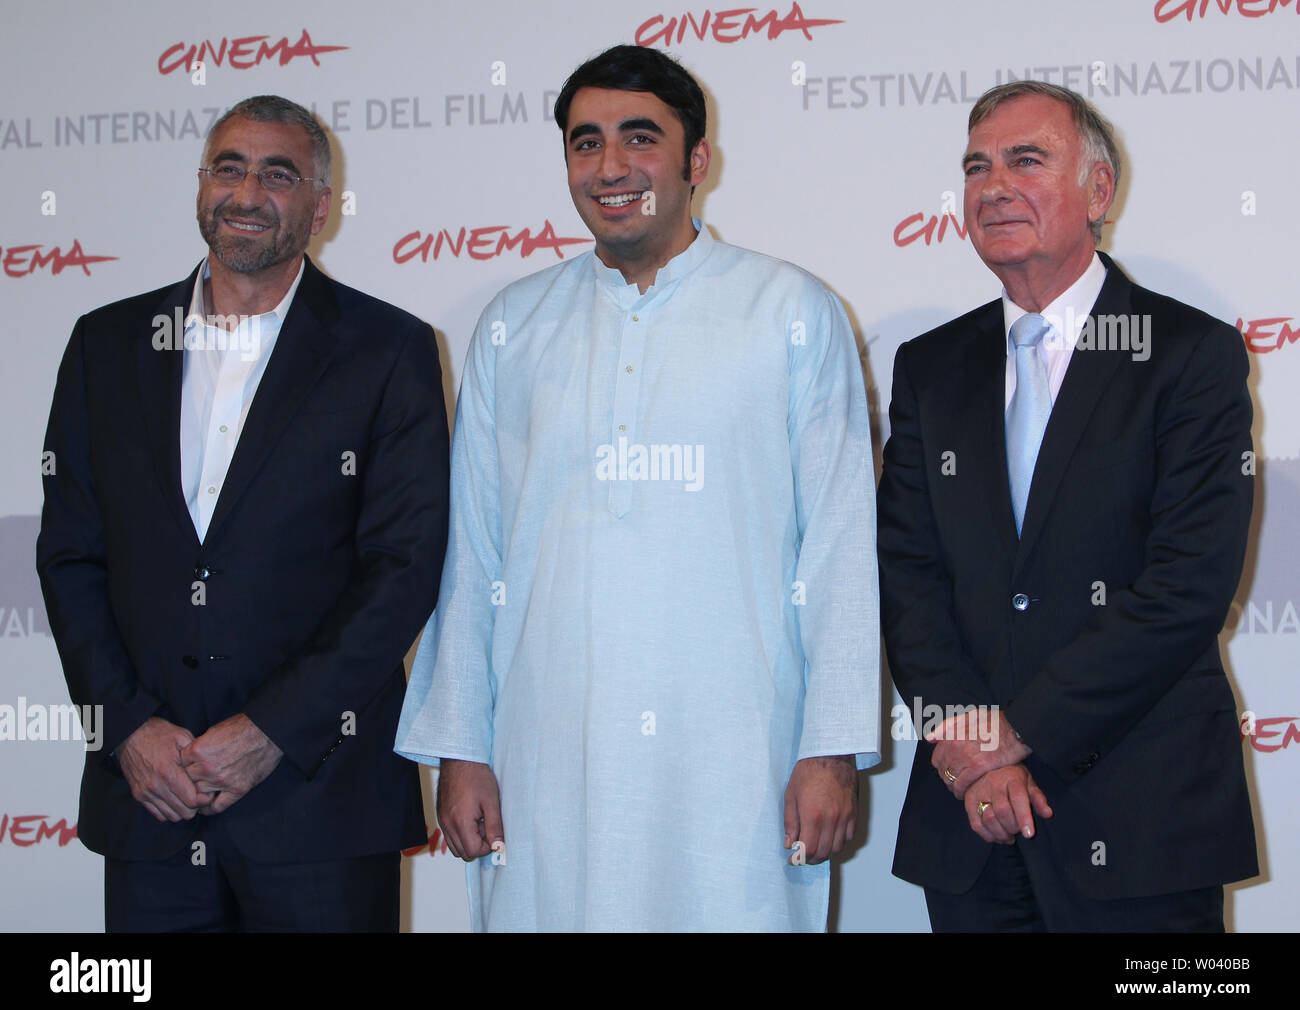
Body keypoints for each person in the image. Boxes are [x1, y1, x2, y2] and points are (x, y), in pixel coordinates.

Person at [396, 45, 879, 932]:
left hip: (738, 752)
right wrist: (461, 749)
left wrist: (831, 747)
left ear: (697, 162)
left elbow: (842, 545)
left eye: (639, 138)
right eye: (586, 143)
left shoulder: (791, 312)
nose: (611, 167)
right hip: (546, 755)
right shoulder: (514, 325)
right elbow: (475, 550)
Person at [36, 94, 449, 932]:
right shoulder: (106, 344)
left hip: (318, 804)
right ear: (200, 188)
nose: (248, 192)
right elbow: (71, 556)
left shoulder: (388, 349)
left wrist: (269, 731)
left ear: (321, 205)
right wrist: (126, 730)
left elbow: (402, 568)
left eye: (278, 174)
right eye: (229, 168)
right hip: (150, 802)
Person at [878, 81, 1257, 931]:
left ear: (1098, 190)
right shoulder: (930, 368)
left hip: (1141, 818)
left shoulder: (1188, 353)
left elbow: (1188, 585)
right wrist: (973, 755)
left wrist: (1016, 734)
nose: (993, 184)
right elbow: (908, 578)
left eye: (1025, 159)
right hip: (970, 824)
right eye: (976, 166)